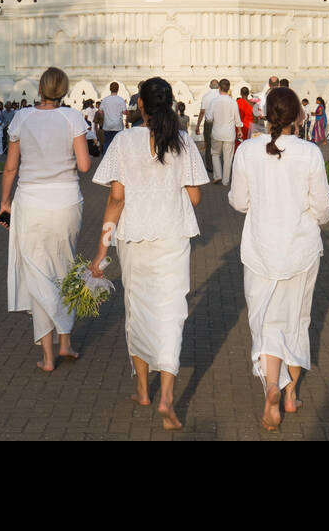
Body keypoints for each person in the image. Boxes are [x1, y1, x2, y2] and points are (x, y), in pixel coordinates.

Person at [90, 76, 206, 431]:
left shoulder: (124, 141)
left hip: (135, 237)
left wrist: (101, 251)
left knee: (137, 311)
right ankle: (167, 397)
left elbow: (116, 198)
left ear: (139, 104)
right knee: (172, 313)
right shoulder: (182, 139)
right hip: (172, 235)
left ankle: (142, 390)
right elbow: (196, 197)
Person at [229, 86, 329, 431]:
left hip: (260, 248)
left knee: (266, 322)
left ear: (264, 114)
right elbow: (323, 207)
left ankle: (272, 386)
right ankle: (290, 394)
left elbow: (239, 202)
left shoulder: (247, 150)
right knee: (296, 320)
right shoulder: (309, 153)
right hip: (300, 249)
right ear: (298, 117)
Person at [0, 66, 91, 373]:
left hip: (31, 202)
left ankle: (49, 355)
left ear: (40, 88)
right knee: (64, 269)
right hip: (65, 201)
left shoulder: (22, 118)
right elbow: (84, 165)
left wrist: (4, 203)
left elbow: (10, 168)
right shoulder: (73, 118)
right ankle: (65, 341)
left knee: (39, 274)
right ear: (64, 90)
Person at [208, 79, 240, 186]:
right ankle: (225, 181)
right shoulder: (233, 102)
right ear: (228, 88)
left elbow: (209, 118)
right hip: (229, 133)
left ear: (219, 88)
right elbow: (237, 120)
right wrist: (239, 130)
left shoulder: (214, 101)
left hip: (217, 132)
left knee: (215, 154)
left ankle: (218, 175)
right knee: (228, 158)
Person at [196, 79, 220, 174]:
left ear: (210, 86)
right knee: (218, 145)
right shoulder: (221, 96)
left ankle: (210, 167)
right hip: (219, 123)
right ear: (218, 87)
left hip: (209, 123)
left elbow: (202, 112)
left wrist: (198, 125)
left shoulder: (206, 96)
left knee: (209, 145)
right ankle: (217, 166)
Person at [100, 82, 127, 153]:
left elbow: (100, 111)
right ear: (118, 89)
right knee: (117, 143)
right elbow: (124, 112)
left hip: (107, 124)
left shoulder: (105, 100)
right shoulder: (121, 100)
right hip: (118, 125)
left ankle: (106, 159)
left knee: (107, 143)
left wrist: (106, 114)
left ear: (110, 89)